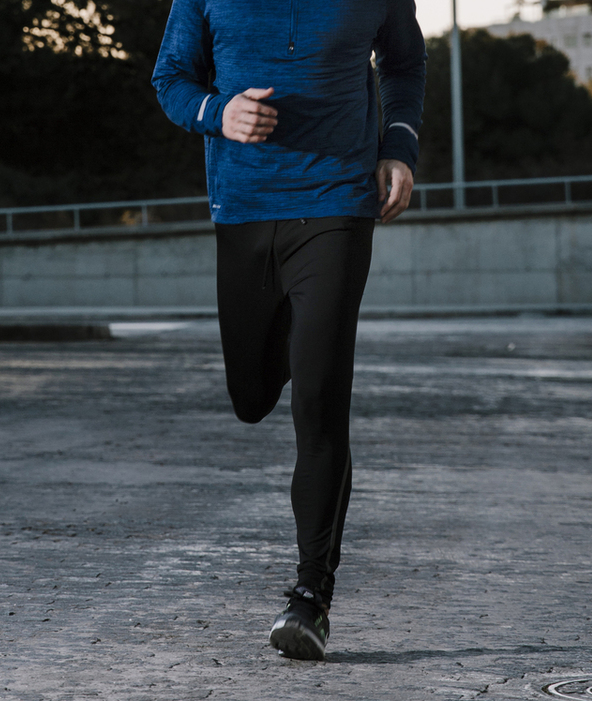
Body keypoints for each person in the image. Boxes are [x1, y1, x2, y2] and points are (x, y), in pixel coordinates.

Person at [152, 0, 426, 660]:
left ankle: (311, 598)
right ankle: (290, 342)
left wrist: (398, 148)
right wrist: (219, 112)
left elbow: (406, 61)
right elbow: (171, 78)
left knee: (320, 400)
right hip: (243, 209)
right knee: (251, 397)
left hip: (337, 202)